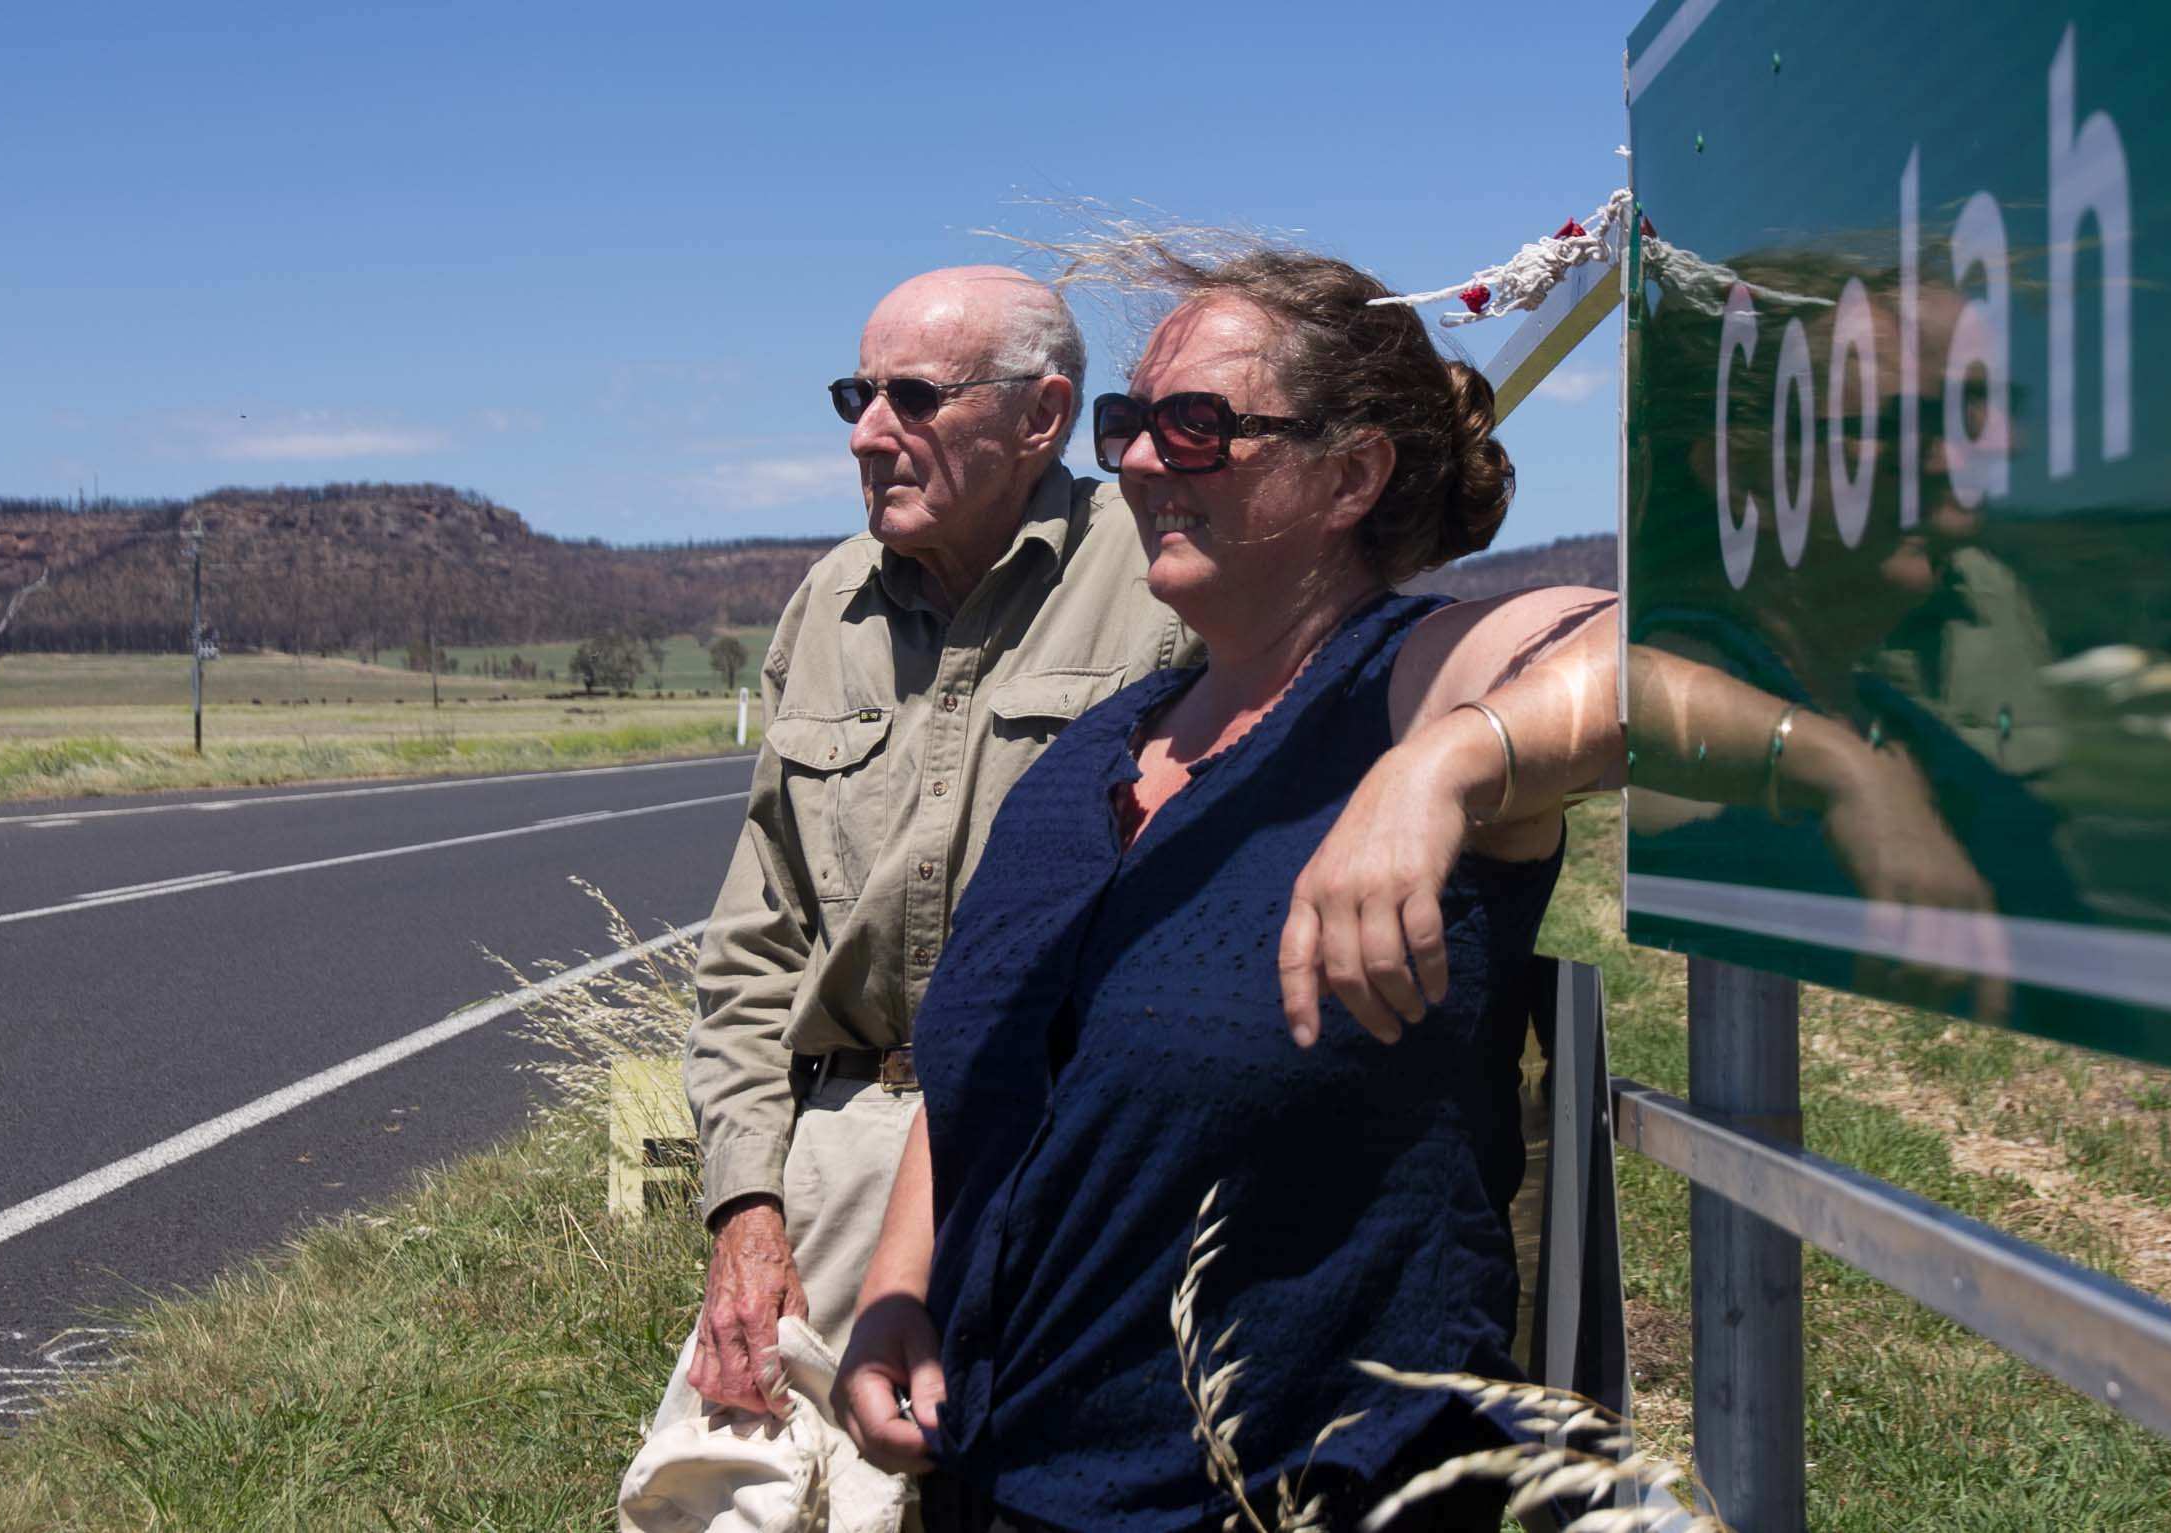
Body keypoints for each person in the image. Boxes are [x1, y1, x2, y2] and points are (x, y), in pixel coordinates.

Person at [831, 247, 1627, 1532]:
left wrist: (1441, 769)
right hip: (994, 1479)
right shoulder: (1088, 760)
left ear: (1350, 474)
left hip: (1288, 1497)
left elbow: (1660, 653)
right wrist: (896, 1290)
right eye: (1129, 424)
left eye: (1198, 426)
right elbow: (989, 1063)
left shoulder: (1403, 683)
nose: (1139, 462)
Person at [679, 265, 1198, 1424]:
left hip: (1067, 1156)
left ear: (1043, 417)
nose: (869, 435)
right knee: (736, 1495)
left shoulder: (1166, 579)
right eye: (856, 396)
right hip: (844, 1151)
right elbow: (758, 948)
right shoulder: (828, 604)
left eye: (914, 398)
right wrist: (749, 1211)